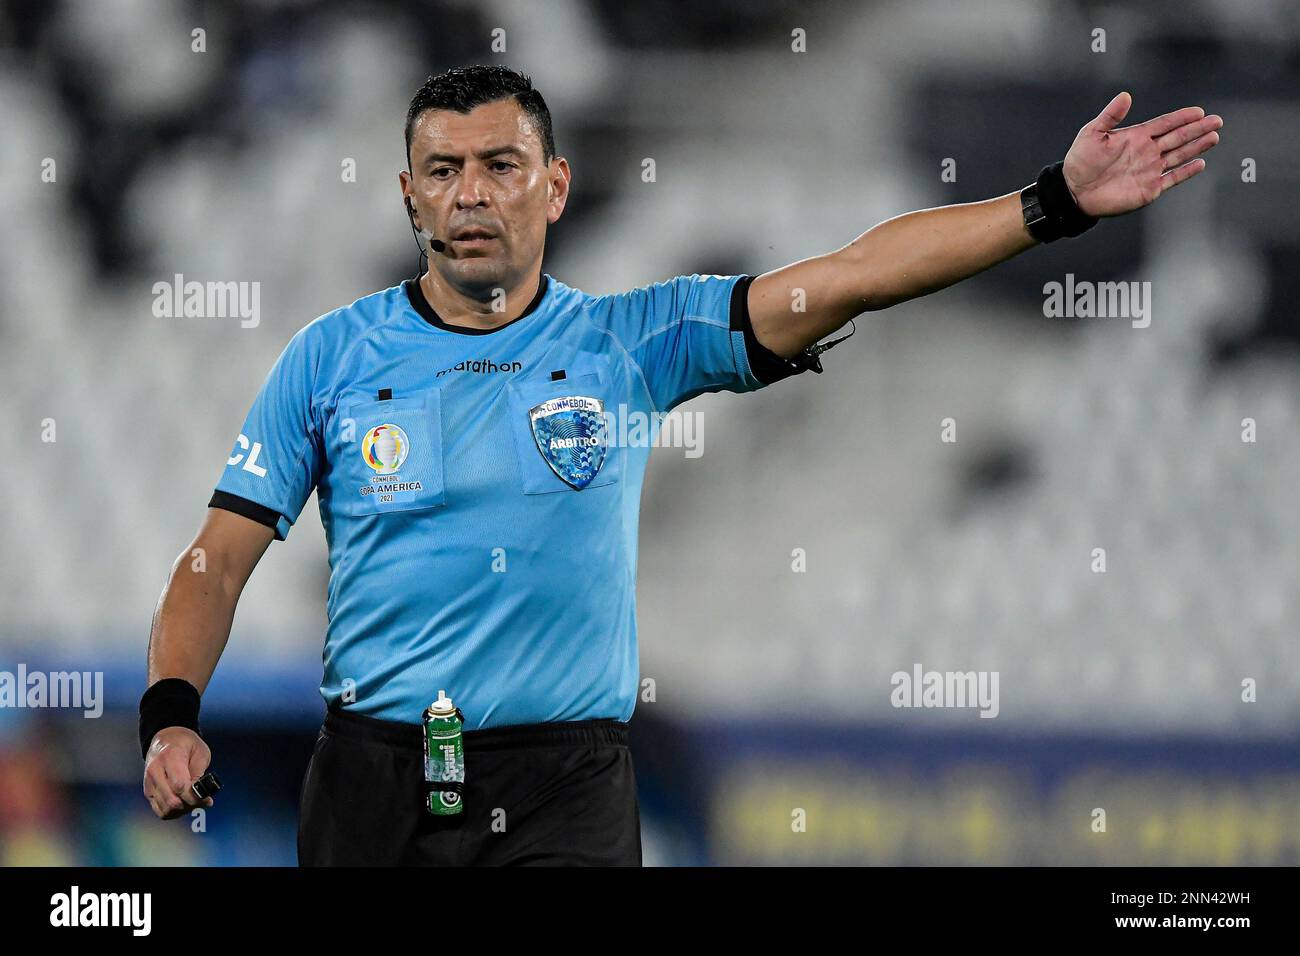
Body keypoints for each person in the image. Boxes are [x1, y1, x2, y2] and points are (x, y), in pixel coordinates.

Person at [140, 64, 1222, 865]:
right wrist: (172, 708)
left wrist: (1051, 203)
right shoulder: (329, 360)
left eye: (499, 165)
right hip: (373, 782)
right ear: (409, 196)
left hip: (563, 782)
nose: (471, 192)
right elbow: (216, 560)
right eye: (442, 170)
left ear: (554, 187)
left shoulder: (627, 344)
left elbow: (848, 277)